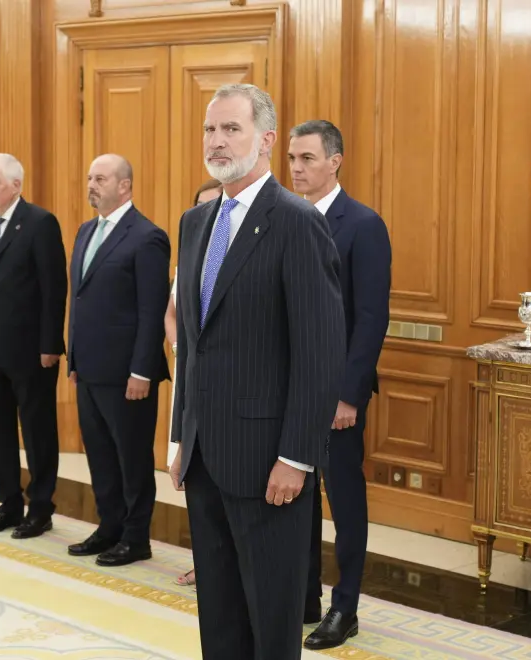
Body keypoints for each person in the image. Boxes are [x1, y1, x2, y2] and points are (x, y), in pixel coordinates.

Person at [169, 83, 345, 660]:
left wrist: (296, 456)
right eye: (209, 129)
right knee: (218, 616)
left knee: (270, 619)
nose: (216, 142)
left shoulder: (296, 222)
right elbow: (195, 345)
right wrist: (180, 436)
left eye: (231, 129)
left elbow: (319, 354)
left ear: (266, 139)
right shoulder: (194, 222)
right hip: (204, 457)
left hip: (270, 461)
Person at [289, 120, 391, 650]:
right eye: (292, 159)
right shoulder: (283, 219)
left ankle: (343, 606)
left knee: (343, 502)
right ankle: (302, 596)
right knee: (294, 496)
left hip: (336, 396)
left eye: (307, 158)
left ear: (335, 161)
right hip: (288, 390)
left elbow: (371, 318)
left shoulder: (363, 225)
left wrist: (349, 395)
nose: (297, 169)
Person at [66, 154, 170, 567]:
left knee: (131, 459)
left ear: (125, 185)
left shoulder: (147, 237)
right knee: (100, 455)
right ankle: (108, 526)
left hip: (129, 374)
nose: (92, 184)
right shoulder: (85, 230)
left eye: (101, 178)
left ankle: (135, 537)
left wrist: (142, 369)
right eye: (90, 177)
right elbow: (81, 300)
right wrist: (74, 357)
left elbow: (152, 311)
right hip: (90, 370)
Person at [0, 153, 67, 539]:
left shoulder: (40, 223)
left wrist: (50, 345)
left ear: (16, 185)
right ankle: (8, 503)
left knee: (38, 431)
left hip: (31, 349)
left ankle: (40, 507)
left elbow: (53, 289)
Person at [167, 178, 222, 588]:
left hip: (233, 397)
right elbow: (176, 316)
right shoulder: (190, 247)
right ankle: (203, 562)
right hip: (192, 385)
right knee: (196, 486)